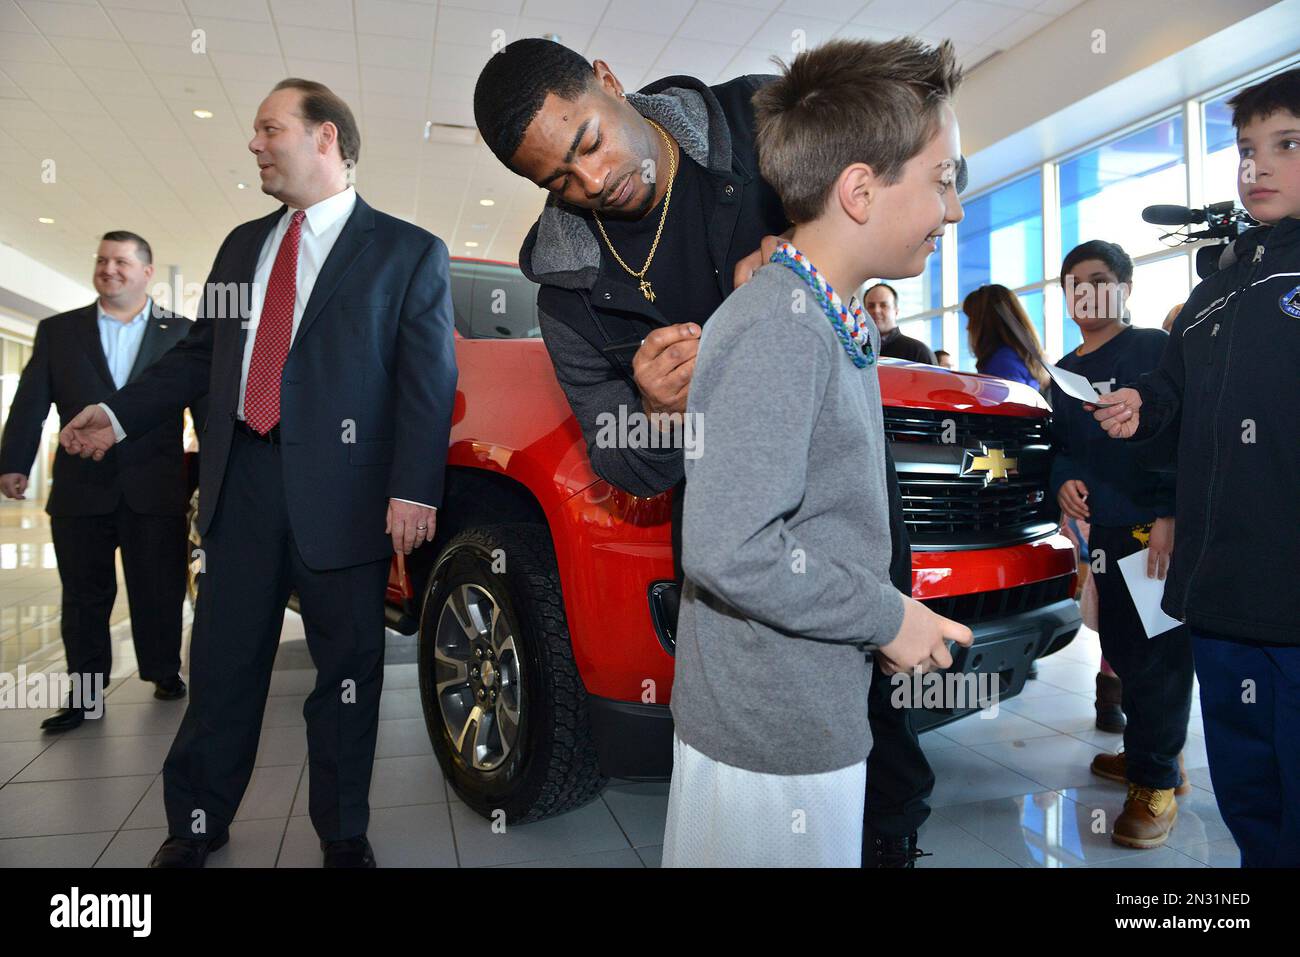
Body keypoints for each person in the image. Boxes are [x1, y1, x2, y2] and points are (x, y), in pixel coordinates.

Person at [473, 37, 969, 867]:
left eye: (588, 142)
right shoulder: (570, 292)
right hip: (745, 561)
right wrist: (658, 411)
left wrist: (799, 263)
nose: (590, 183)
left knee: (874, 717)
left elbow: (845, 195)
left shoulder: (751, 120)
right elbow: (627, 465)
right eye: (556, 180)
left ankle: (892, 832)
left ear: (607, 77)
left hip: (836, 508)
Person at [59, 78, 458, 868]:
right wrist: (117, 412)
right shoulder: (245, 245)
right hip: (242, 487)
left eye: (269, 128)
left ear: (325, 141)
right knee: (222, 666)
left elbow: (427, 379)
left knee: (346, 674)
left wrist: (413, 487)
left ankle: (343, 833)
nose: (253, 144)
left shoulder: (407, 252)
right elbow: (202, 356)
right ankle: (196, 823)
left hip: (346, 499)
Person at [663, 36, 973, 867]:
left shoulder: (830, 321)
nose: (954, 208)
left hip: (805, 711)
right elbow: (731, 544)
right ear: (861, 191)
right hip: (770, 739)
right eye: (944, 180)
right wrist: (889, 617)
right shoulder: (779, 327)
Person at [1091, 67, 1300, 867]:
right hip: (1220, 600)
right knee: (1247, 793)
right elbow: (1172, 394)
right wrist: (1143, 406)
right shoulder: (1212, 294)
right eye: (1248, 149)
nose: (1258, 166)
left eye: (1286, 145)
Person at [0, 232, 202, 732]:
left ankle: (163, 671)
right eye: (102, 260)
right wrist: (14, 461)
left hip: (154, 486)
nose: (109, 268)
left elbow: (205, 411)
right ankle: (85, 694)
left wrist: (216, 474)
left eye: (122, 261)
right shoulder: (59, 331)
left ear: (147, 272)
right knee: (84, 595)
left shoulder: (181, 332)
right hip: (80, 487)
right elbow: (31, 402)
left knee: (158, 587)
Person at [1051, 239, 1192, 849]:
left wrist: (1168, 513)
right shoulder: (1064, 370)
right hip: (1105, 536)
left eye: (1099, 279)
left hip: (1152, 533)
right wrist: (1063, 483)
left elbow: (1181, 437)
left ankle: (1154, 785)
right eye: (1073, 282)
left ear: (1126, 288)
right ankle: (1151, 755)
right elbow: (1062, 447)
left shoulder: (1156, 353)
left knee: (1158, 660)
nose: (1085, 292)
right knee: (1124, 652)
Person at [962, 283, 1047, 388]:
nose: (967, 327)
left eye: (971, 319)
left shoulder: (1002, 362)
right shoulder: (1017, 356)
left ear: (986, 321)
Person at [864, 282, 938, 363]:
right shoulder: (855, 351)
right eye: (871, 306)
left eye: (883, 305)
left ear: (896, 311)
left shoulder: (918, 352)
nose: (876, 311)